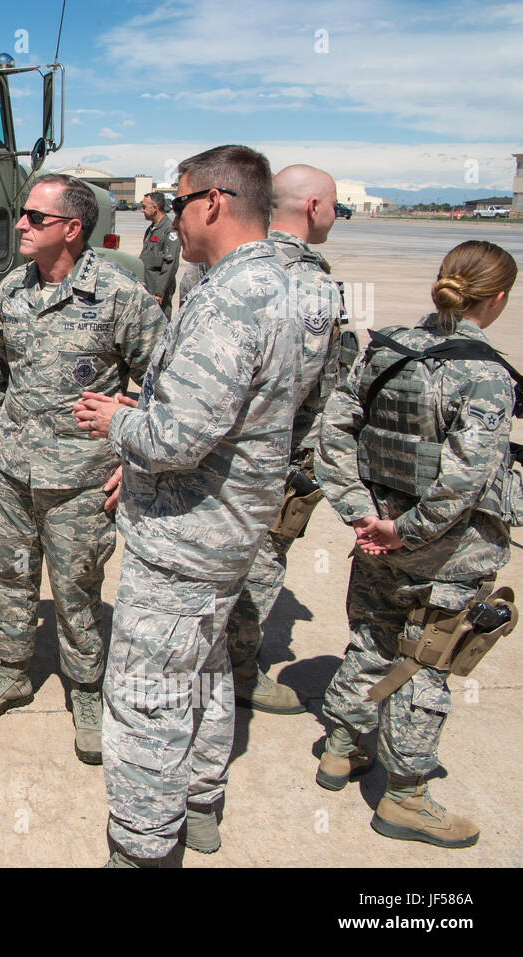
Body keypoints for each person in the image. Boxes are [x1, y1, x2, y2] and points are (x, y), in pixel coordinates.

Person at [75, 145, 301, 865]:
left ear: (213, 201)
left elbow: (176, 437)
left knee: (146, 699)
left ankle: (141, 849)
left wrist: (115, 423)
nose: (171, 219)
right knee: (203, 672)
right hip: (226, 531)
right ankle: (200, 803)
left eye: (177, 203)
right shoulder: (277, 282)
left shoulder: (232, 298)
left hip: (185, 541)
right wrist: (141, 423)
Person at [313, 240, 520, 848]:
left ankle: (341, 748)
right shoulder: (486, 375)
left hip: (375, 538)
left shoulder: (386, 350)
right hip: (446, 554)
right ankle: (405, 796)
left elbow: (334, 434)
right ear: (498, 298)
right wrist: (407, 530)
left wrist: (362, 515)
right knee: (426, 661)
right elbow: (465, 479)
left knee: (372, 638)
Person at [0, 173, 166, 765]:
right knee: (8, 575)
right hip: (13, 472)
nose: (21, 224)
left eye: (35, 217)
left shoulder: (120, 296)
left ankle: (86, 689)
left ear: (72, 229)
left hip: (82, 479)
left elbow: (165, 386)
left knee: (77, 587)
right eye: (22, 213)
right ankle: (13, 671)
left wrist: (137, 457)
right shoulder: (12, 289)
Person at [224, 165, 344, 714]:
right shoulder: (311, 284)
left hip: (214, 453)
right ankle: (238, 670)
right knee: (262, 563)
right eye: (335, 206)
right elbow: (304, 388)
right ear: (314, 207)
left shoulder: (231, 265)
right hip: (275, 460)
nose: (335, 216)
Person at [138, 190, 181, 317]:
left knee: (160, 322)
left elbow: (170, 264)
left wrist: (159, 292)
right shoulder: (152, 229)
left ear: (155, 208)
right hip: (147, 286)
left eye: (144, 207)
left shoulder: (169, 230)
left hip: (158, 289)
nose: (142, 210)